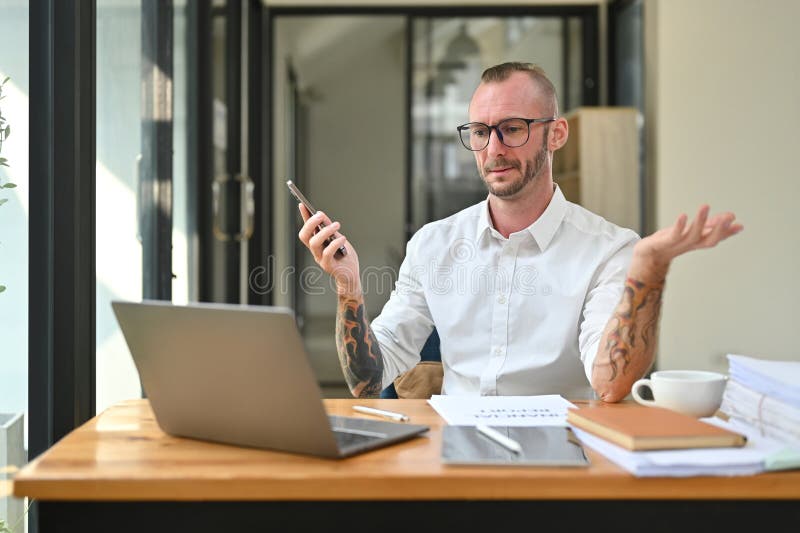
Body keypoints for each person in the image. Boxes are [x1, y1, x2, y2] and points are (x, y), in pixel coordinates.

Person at [297, 62, 742, 402]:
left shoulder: (609, 249)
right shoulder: (433, 244)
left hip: (562, 459)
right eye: (480, 132)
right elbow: (368, 381)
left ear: (556, 134)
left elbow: (609, 383)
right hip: (453, 456)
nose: (494, 149)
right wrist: (349, 287)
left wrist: (649, 270)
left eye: (512, 129)